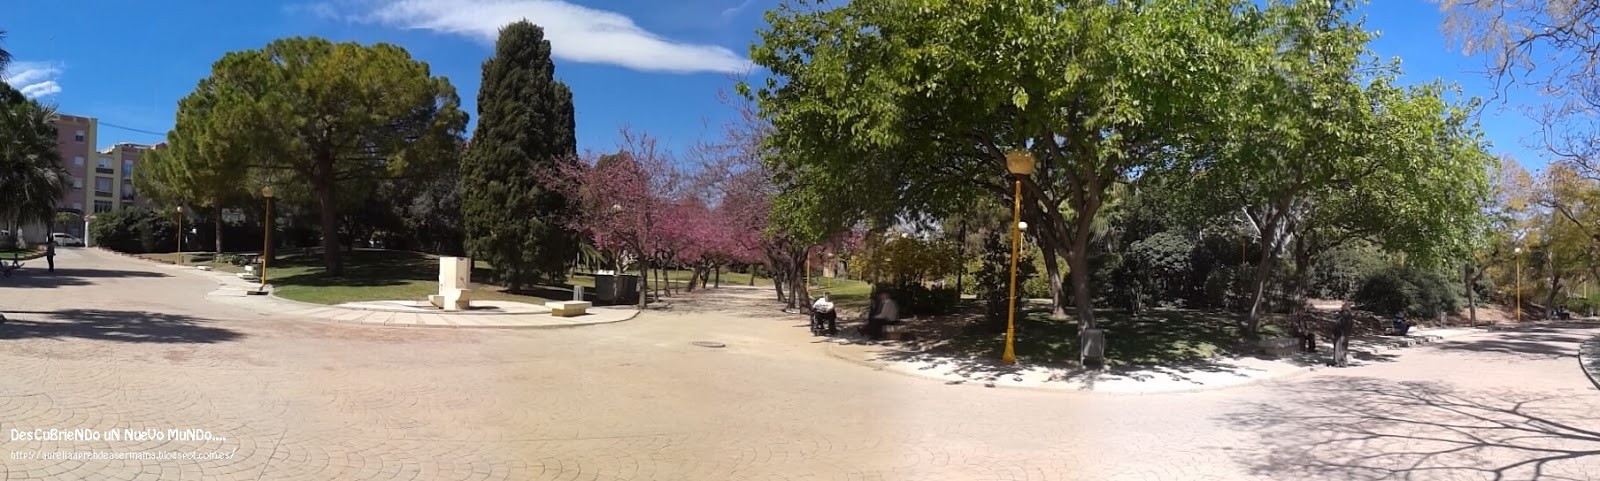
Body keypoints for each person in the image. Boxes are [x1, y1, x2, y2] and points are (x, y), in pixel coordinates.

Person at [1331, 302, 1354, 367]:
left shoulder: (1344, 315)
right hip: (1342, 334)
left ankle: (1339, 362)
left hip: (1342, 334)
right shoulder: (1345, 316)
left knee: (1340, 348)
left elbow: (1337, 324)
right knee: (1342, 348)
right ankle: (1341, 362)